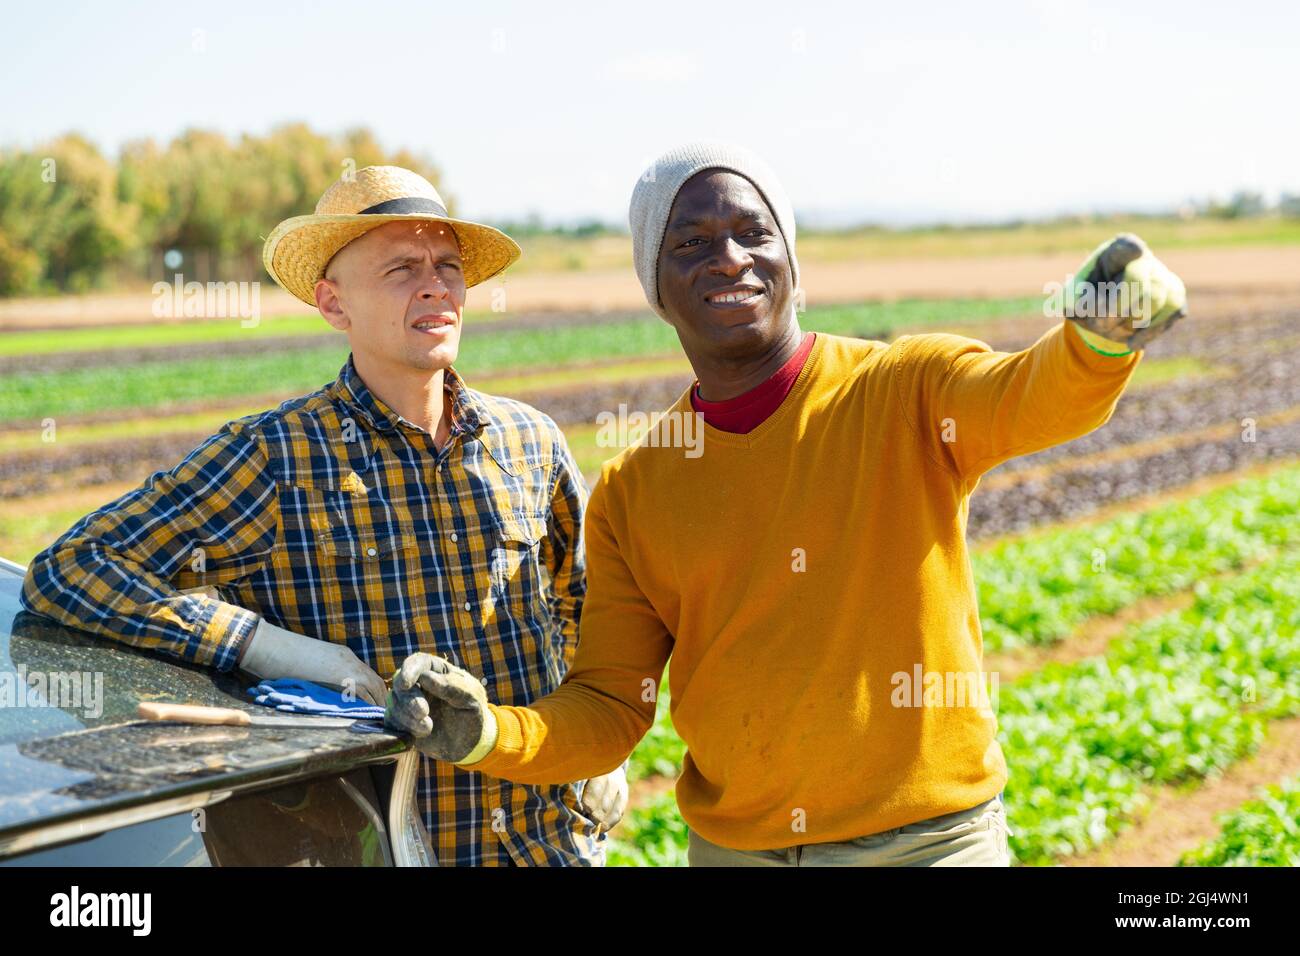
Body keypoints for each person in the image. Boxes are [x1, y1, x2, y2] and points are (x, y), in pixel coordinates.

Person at [390, 142, 1189, 866]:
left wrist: (1096, 339)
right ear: (656, 284)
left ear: (791, 261)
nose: (728, 257)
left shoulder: (904, 389)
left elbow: (1029, 396)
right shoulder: (639, 485)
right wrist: (490, 730)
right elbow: (609, 705)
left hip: (928, 848)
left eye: (752, 233)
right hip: (739, 854)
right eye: (691, 242)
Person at [20, 165, 627, 866]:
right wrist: (267, 647)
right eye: (401, 268)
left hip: (548, 842)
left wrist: (596, 743)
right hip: (389, 846)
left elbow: (578, 606)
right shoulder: (273, 457)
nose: (435, 285)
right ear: (334, 304)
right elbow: (73, 567)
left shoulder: (531, 442)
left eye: (447, 266)